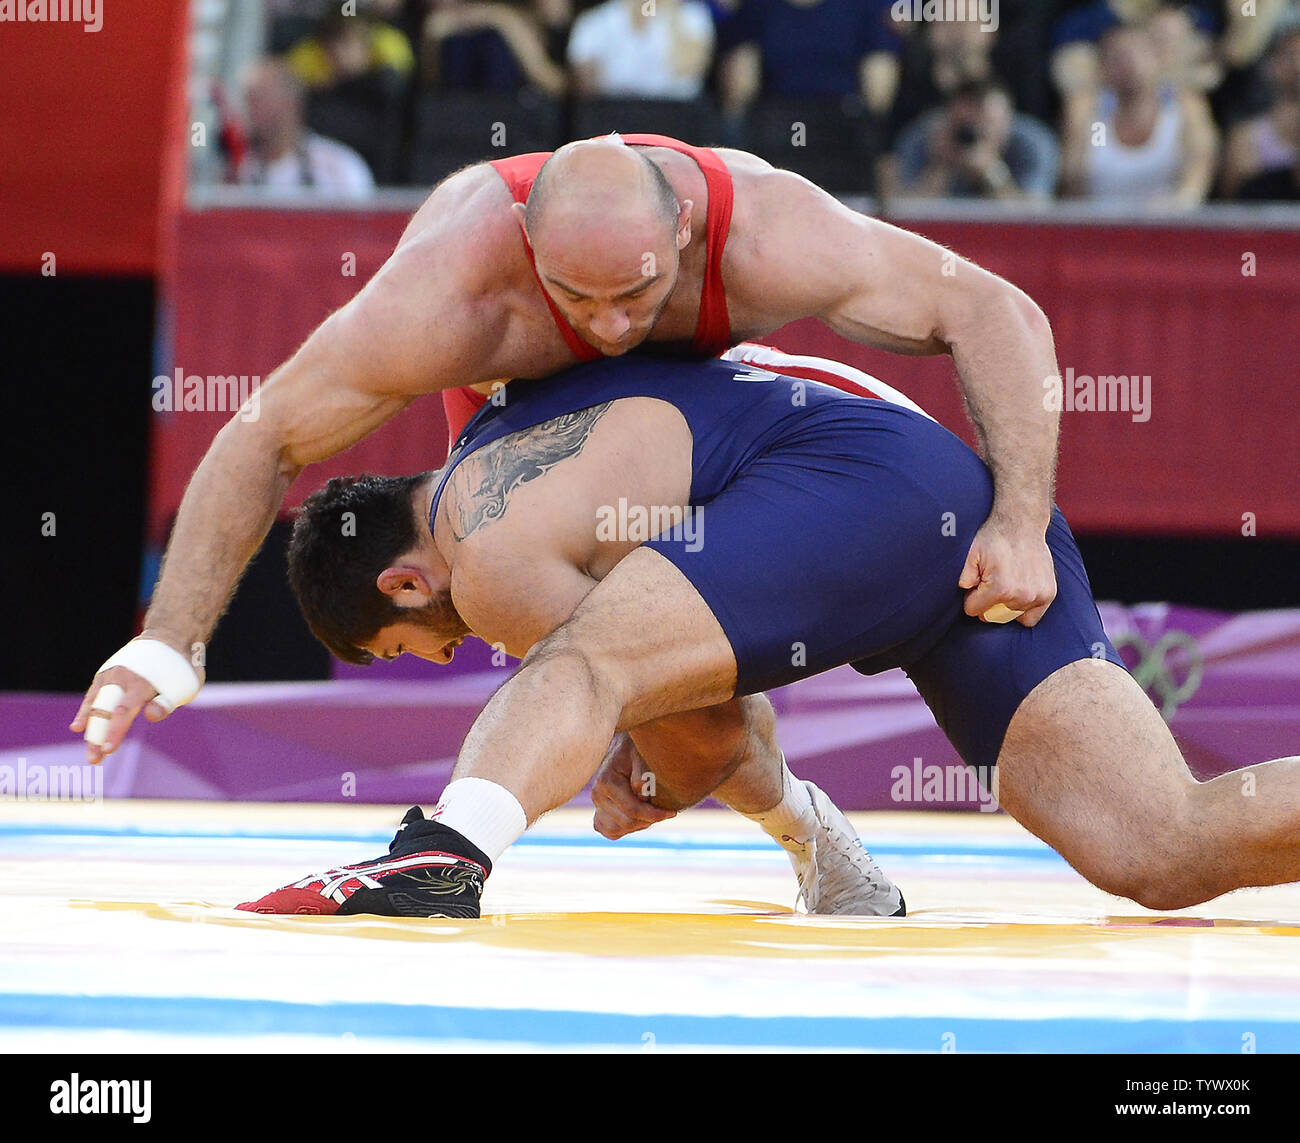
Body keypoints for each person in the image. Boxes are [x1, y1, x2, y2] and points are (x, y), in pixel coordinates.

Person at [73, 132, 1065, 772]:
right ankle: (779, 820)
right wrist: (171, 637)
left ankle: (777, 815)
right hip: (508, 381)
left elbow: (989, 307)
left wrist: (1018, 518)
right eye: (576, 298)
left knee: (679, 672)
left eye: (633, 295)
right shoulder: (452, 299)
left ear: (679, 229)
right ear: (525, 246)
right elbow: (266, 436)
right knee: (558, 610)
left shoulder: (767, 231)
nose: (607, 327)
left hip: (689, 387)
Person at [239, 346, 1300, 919]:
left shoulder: (486, 532)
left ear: (406, 580)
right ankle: (830, 858)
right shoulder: (525, 412)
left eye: (426, 643)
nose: (470, 651)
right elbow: (703, 718)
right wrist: (653, 743)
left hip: (865, 483)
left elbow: (704, 731)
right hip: (941, 496)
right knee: (1162, 850)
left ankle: (440, 857)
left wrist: (649, 753)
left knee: (583, 663)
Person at [1059, 21, 1218, 208]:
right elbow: (1073, 182)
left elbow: (1200, 168)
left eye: (1138, 53)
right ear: (1102, 68)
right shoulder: (1089, 112)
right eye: (1118, 57)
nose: (1130, 64)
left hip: (1167, 223)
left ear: (1158, 59)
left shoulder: (1184, 106)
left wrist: (1179, 202)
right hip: (1100, 223)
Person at [882, 79, 1058, 202]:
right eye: (965, 124)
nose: (974, 134)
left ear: (1007, 121)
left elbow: (1035, 218)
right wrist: (941, 166)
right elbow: (904, 214)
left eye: (987, 124)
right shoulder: (925, 137)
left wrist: (992, 172)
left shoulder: (1032, 143)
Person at [235, 58, 376, 197]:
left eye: (260, 99)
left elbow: (361, 218)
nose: (250, 110)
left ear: (291, 104)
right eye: (248, 99)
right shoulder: (237, 168)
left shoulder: (339, 167)